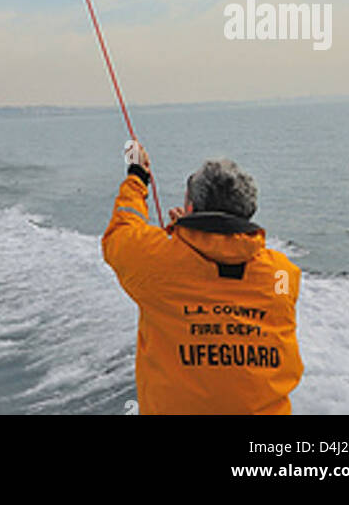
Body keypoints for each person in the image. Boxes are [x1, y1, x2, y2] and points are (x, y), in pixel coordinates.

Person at [102, 141, 303, 415]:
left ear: (192, 207)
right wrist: (189, 232)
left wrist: (138, 176)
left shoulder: (158, 262)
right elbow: (236, 276)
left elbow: (122, 230)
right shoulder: (282, 274)